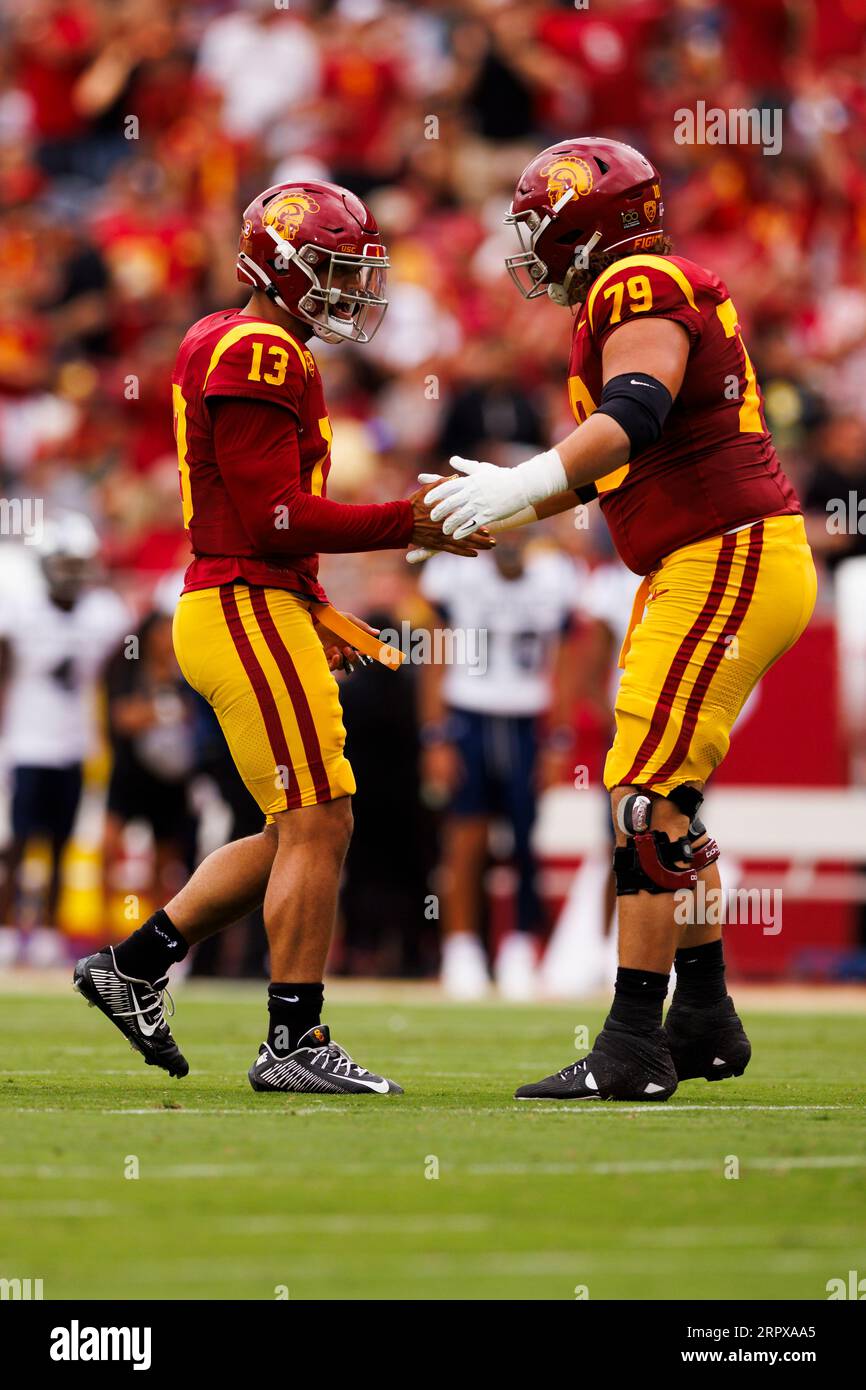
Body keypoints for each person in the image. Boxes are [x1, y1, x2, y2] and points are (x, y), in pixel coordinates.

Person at [73, 179, 488, 1095]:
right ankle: (292, 1042)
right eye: (334, 270)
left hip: (254, 603)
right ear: (280, 266)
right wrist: (407, 524)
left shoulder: (247, 340)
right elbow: (271, 518)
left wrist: (316, 609)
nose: (350, 291)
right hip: (240, 603)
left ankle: (134, 966)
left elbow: (260, 523)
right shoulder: (258, 348)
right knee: (318, 818)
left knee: (300, 824)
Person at [424, 138, 817, 1102]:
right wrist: (506, 507)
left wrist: (525, 478)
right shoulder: (635, 285)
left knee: (642, 796)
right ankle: (705, 1017)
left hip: (724, 552)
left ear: (583, 221)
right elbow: (616, 464)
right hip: (706, 558)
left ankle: (635, 1043)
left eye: (539, 224)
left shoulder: (635, 281)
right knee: (661, 797)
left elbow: (634, 412)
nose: (531, 247)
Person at [418, 533, 579, 1000]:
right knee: (465, 839)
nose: (511, 538)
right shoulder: (456, 571)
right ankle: (461, 949)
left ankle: (519, 948)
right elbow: (434, 653)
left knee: (527, 840)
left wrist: (560, 739)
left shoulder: (556, 575)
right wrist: (434, 736)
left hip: (528, 720)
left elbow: (565, 660)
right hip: (467, 715)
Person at [0, 513, 129, 966]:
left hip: (74, 745)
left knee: (58, 844)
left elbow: (121, 666)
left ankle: (50, 931)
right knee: (17, 844)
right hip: (26, 742)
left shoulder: (103, 613)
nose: (73, 575)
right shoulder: (19, 606)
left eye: (79, 564)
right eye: (66, 564)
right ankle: (12, 929)